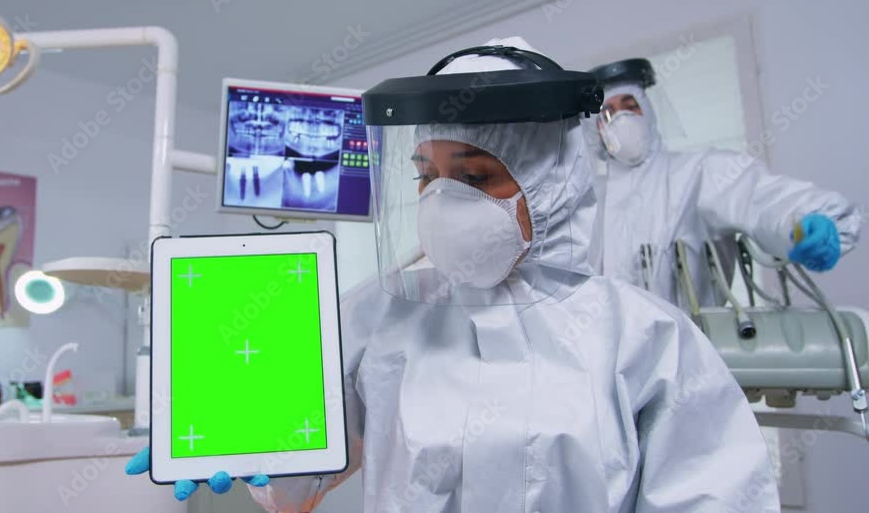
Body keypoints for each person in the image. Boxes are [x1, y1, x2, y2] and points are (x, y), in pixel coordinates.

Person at [128, 38, 780, 512]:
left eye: (474, 175)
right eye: (427, 176)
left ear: (549, 181)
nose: (442, 201)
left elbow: (715, 495)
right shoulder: (378, 315)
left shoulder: (645, 339)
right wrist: (233, 439)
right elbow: (299, 474)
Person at [584, 58, 861, 310]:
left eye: (631, 106)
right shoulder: (588, 198)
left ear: (648, 112)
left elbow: (756, 198)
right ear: (596, 129)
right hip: (606, 345)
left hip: (691, 343)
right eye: (608, 113)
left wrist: (804, 220)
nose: (622, 120)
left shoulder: (696, 174)